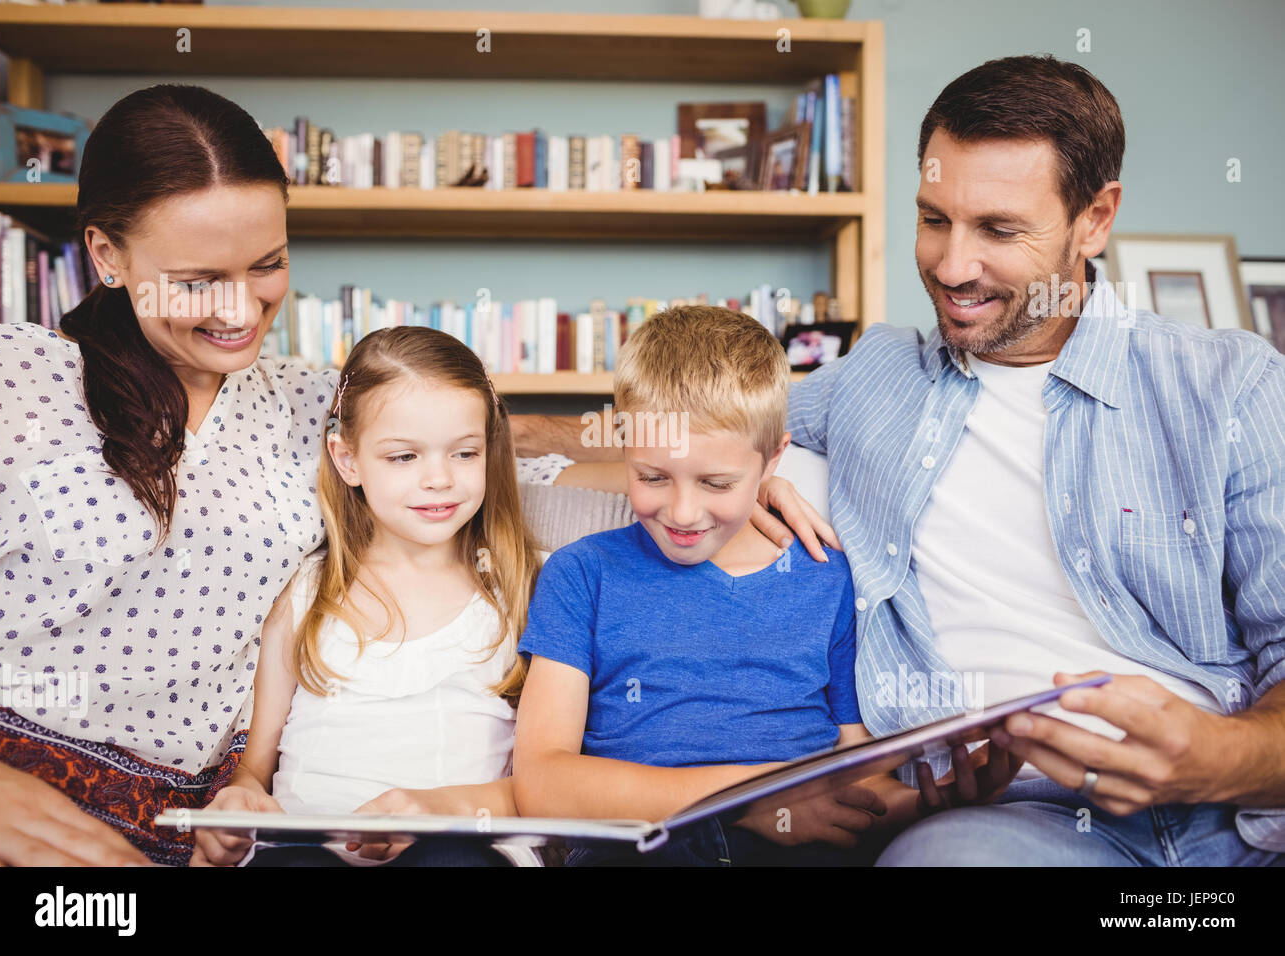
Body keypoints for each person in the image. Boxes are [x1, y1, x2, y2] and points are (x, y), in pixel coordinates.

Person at [512, 55, 1285, 866]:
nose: (952, 267)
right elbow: (689, 430)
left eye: (998, 229)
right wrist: (495, 436)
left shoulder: (1228, 388)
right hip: (1012, 824)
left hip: (1224, 814)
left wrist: (1212, 757)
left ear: (1095, 219)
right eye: (933, 219)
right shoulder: (875, 379)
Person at [0, 84, 338, 866]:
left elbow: (494, 446)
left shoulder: (313, 406)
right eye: (198, 279)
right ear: (107, 256)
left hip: (192, 839)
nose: (242, 308)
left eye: (269, 264)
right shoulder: (14, 378)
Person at [512, 306, 985, 866]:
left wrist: (941, 799)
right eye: (652, 477)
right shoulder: (581, 576)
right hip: (643, 850)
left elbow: (858, 780)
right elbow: (542, 781)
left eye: (717, 482)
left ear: (772, 460)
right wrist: (745, 801)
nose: (683, 513)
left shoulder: (826, 576)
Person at [190, 326, 543, 867]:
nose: (439, 479)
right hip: (308, 847)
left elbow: (548, 782)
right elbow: (252, 771)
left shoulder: (523, 588)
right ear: (347, 459)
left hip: (464, 846)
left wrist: (438, 809)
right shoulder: (307, 594)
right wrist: (237, 800)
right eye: (404, 457)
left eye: (464, 453)